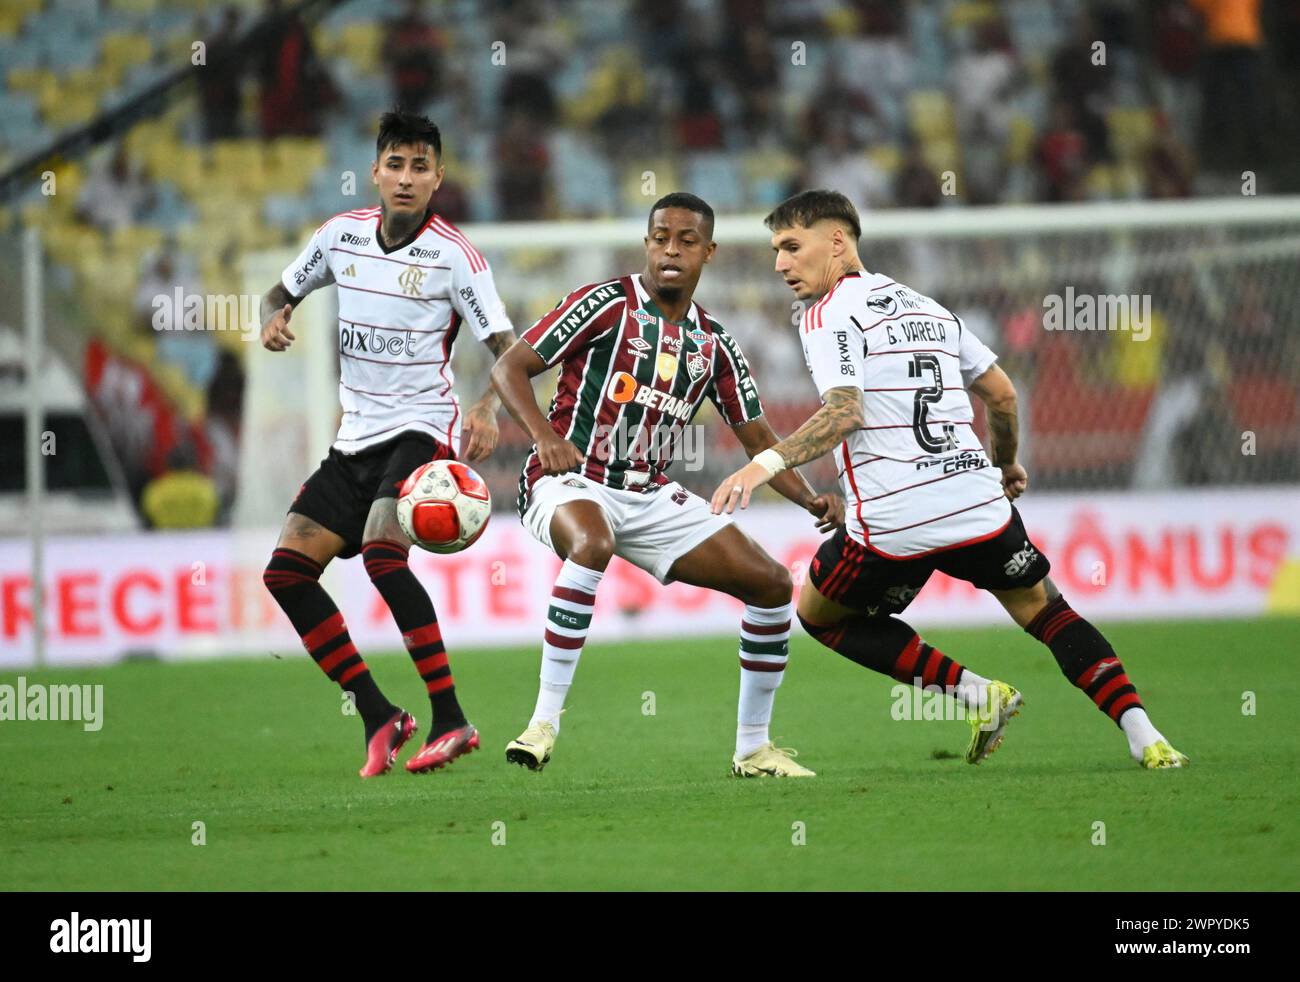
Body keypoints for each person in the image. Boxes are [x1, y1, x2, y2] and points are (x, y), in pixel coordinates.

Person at [712, 190, 1188, 769]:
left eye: (791, 246)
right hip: (977, 505)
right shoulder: (930, 309)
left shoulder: (827, 312)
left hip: (892, 522)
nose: (779, 264)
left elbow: (844, 412)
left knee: (819, 615)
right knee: (1047, 610)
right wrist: (1006, 462)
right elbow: (1001, 394)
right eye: (775, 250)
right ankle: (1146, 736)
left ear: (836, 241)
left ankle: (975, 692)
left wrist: (761, 466)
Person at [490, 192, 843, 777]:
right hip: (567, 478)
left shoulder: (714, 343)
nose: (670, 250)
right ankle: (542, 723)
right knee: (593, 543)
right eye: (660, 238)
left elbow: (758, 438)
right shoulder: (603, 304)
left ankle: (753, 748)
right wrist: (543, 438)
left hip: (648, 493)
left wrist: (809, 498)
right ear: (647, 244)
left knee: (773, 584)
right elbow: (510, 367)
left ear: (709, 252)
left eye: (685, 241)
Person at [257, 110, 516, 778]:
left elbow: (510, 352)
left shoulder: (457, 257)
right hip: (355, 438)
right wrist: (274, 317)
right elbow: (276, 292)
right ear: (375, 171)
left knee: (380, 553)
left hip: (421, 429)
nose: (406, 178)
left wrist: (486, 407)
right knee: (285, 573)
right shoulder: (339, 236)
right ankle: (378, 713)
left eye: (420, 166)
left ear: (438, 177)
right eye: (395, 164)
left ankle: (452, 718)